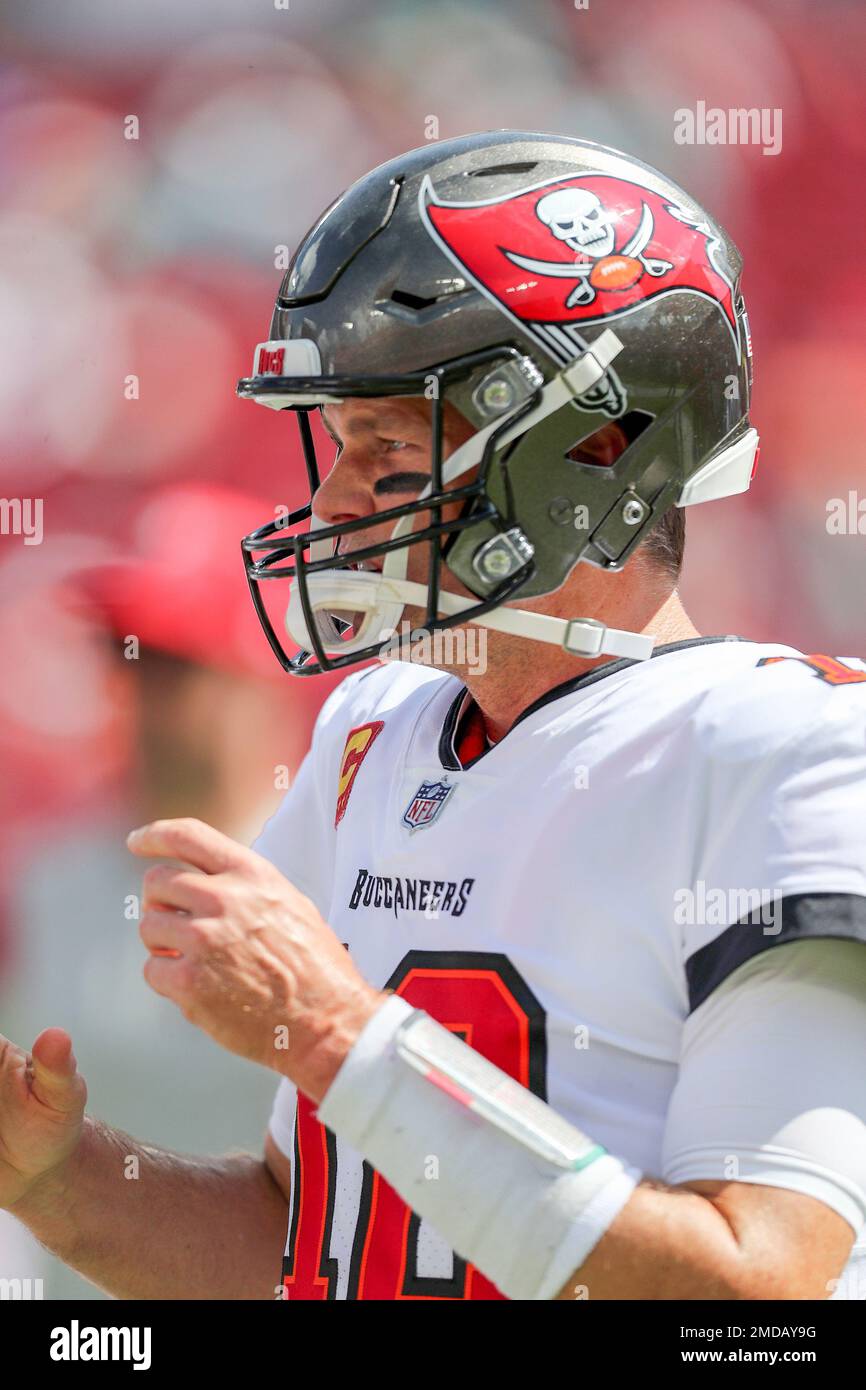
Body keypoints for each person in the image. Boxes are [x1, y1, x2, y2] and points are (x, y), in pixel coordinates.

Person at [2, 131, 865, 1302]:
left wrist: (329, 1031)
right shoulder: (375, 732)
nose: (332, 501)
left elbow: (756, 1296)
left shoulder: (791, 749)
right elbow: (306, 1247)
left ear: (595, 448)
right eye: (339, 446)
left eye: (388, 450)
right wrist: (57, 1176)